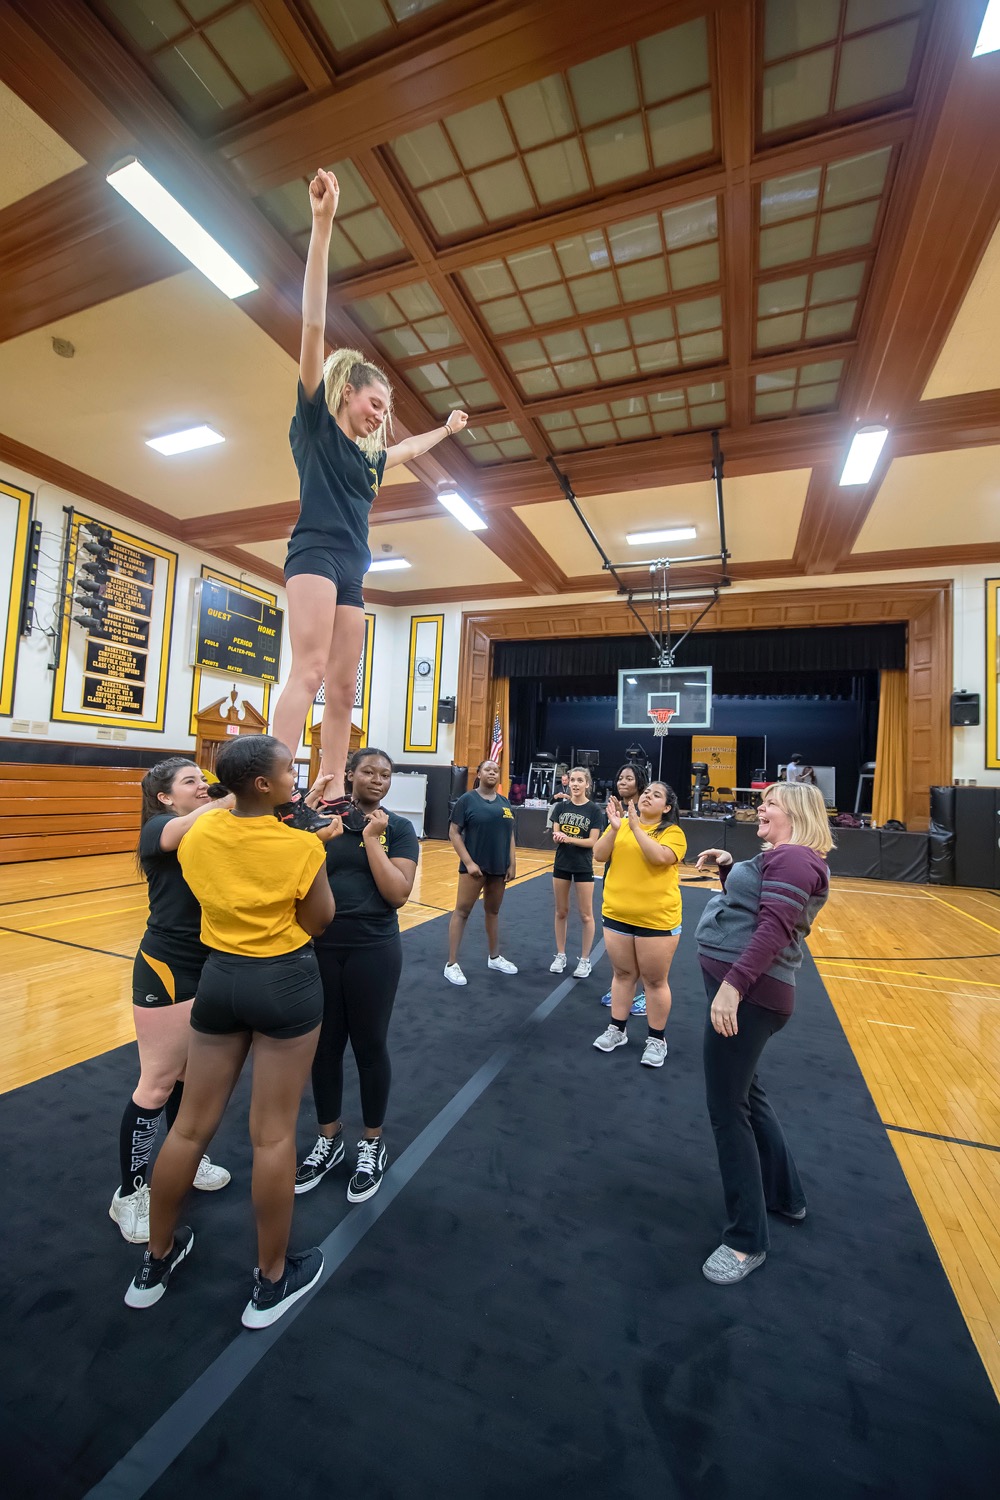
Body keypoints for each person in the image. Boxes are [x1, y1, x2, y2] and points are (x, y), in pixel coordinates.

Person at [269, 165, 468, 830]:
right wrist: (323, 227)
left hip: (356, 565)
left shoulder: (370, 456)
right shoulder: (320, 427)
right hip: (315, 553)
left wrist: (444, 429)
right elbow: (314, 327)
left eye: (386, 411)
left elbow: (405, 452)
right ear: (347, 392)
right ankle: (277, 774)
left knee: (346, 688)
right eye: (374, 403)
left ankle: (328, 786)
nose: (379, 416)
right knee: (312, 665)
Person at [124, 735, 337, 1330]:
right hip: (285, 983)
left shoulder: (198, 835)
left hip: (218, 980)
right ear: (263, 784)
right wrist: (309, 856)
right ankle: (272, 1280)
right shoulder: (300, 847)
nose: (297, 774)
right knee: (272, 1138)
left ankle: (155, 1261)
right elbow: (319, 921)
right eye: (288, 768)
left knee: (189, 1128)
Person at [694, 781, 832, 1286]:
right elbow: (761, 903)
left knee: (727, 1110)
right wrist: (731, 869)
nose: (761, 809)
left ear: (794, 811)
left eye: (770, 803)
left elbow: (773, 929)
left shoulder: (796, 859)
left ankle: (746, 1240)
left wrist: (732, 987)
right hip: (748, 993)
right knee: (748, 1097)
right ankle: (785, 1196)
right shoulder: (785, 856)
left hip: (750, 996)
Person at [110, 758, 233, 1244]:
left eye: (204, 779)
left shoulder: (211, 825)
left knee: (189, 1074)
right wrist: (232, 794)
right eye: (191, 782)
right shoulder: (160, 828)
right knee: (158, 1081)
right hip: (167, 966)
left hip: (210, 963)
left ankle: (187, 1154)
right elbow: (187, 826)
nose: (202, 787)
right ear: (164, 796)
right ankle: (130, 1193)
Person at [295, 748, 418, 1202]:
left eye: (386, 774)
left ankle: (372, 1142)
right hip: (320, 947)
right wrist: (312, 832)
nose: (378, 780)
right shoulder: (319, 823)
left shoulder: (399, 829)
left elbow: (398, 894)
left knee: (369, 1046)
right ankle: (328, 1139)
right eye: (368, 771)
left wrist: (371, 839)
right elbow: (293, 876)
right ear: (349, 775)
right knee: (323, 1047)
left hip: (374, 949)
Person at [591, 782, 686, 1067]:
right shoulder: (620, 825)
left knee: (655, 981)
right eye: (646, 792)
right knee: (622, 975)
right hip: (617, 915)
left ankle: (657, 1040)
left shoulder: (673, 833)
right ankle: (616, 1030)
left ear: (667, 807)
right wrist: (617, 828)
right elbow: (599, 854)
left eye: (656, 795)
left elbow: (659, 858)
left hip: (656, 920)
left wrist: (634, 828)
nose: (647, 796)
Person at [444, 759, 517, 986]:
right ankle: (451, 964)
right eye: (488, 769)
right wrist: (469, 862)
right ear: (479, 773)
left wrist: (512, 863)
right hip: (473, 868)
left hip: (498, 868)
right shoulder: (467, 800)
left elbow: (510, 835)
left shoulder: (505, 803)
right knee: (462, 912)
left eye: (496, 770)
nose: (493, 773)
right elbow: (454, 833)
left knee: (493, 912)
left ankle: (494, 957)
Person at [600, 761, 650, 1014]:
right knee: (619, 944)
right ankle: (623, 987)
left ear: (640, 782)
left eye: (628, 778)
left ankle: (645, 993)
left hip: (641, 885)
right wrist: (614, 822)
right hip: (615, 880)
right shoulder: (614, 810)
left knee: (642, 944)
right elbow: (602, 850)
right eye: (620, 777)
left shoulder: (650, 812)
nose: (622, 782)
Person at [549, 766, 604, 979]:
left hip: (583, 866)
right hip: (561, 864)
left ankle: (584, 960)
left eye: (580, 780)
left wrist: (568, 838)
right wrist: (558, 836)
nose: (575, 784)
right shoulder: (560, 808)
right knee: (561, 911)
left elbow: (592, 841)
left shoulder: (593, 811)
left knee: (585, 914)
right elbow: (556, 831)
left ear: (587, 784)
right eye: (573, 780)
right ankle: (561, 954)